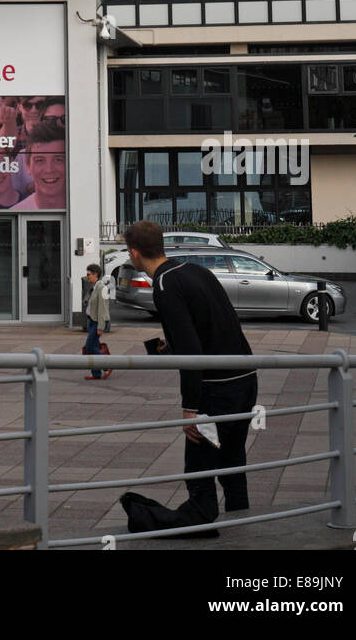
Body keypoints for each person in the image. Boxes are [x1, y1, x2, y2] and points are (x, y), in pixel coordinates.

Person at [120, 220, 257, 534]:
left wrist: (190, 410)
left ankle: (202, 524)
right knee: (233, 460)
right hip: (246, 379)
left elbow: (192, 354)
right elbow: (219, 323)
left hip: (216, 389)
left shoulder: (165, 285)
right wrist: (174, 344)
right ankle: (244, 524)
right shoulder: (195, 271)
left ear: (134, 252)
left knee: (197, 468)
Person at [13, 122, 67, 209]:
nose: (49, 170)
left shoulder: (91, 210)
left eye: (58, 160)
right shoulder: (15, 215)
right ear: (28, 165)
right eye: (40, 160)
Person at [83, 263, 111, 381]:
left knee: (90, 346)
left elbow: (103, 309)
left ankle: (108, 366)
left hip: (97, 322)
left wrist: (101, 326)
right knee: (93, 346)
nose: (87, 276)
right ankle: (96, 374)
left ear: (96, 274)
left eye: (89, 274)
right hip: (92, 320)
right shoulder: (94, 287)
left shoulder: (102, 288)